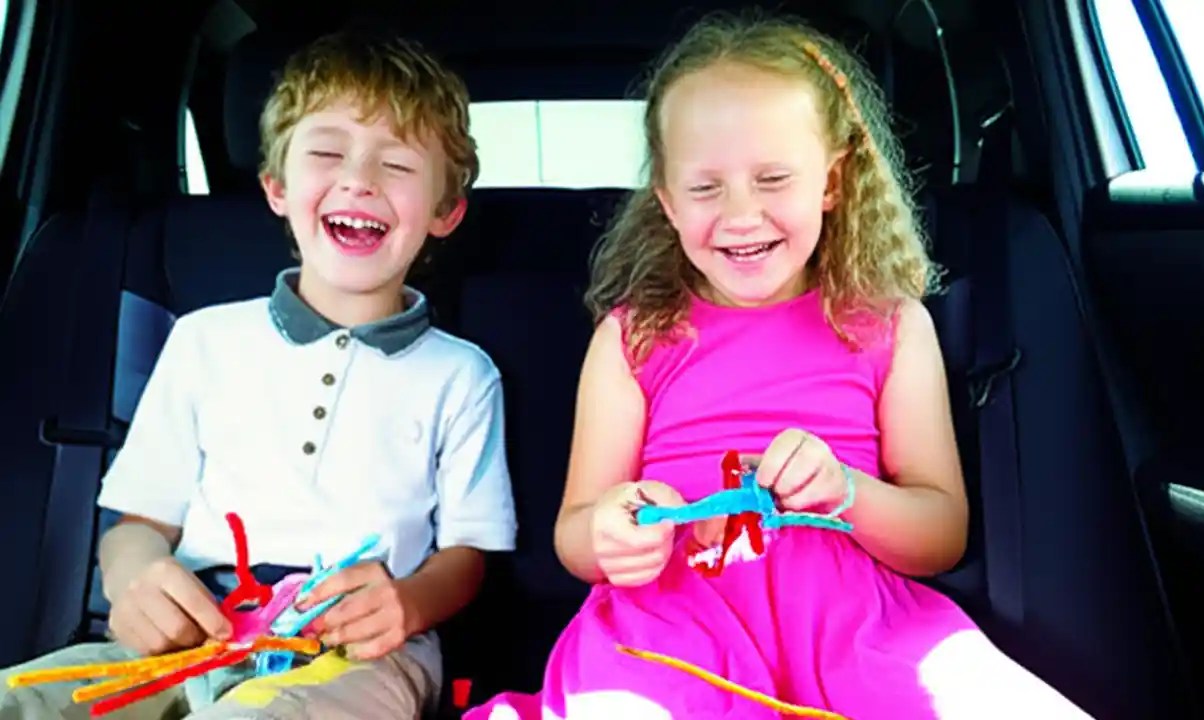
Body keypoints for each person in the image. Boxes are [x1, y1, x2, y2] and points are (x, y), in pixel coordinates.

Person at [465, 11, 1091, 720]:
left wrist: (847, 490)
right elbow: (575, 533)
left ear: (831, 181)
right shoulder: (634, 337)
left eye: (773, 178)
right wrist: (610, 531)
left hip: (857, 629)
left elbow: (940, 534)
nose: (740, 214)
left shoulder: (887, 325)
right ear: (667, 203)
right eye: (705, 188)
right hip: (668, 628)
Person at [0, 30, 516, 720]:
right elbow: (138, 523)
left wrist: (407, 603)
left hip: (363, 651)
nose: (359, 179)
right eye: (328, 153)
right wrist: (132, 577)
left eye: (396, 165)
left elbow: (469, 552)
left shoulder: (461, 373)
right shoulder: (203, 340)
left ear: (446, 212)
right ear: (276, 187)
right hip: (192, 629)